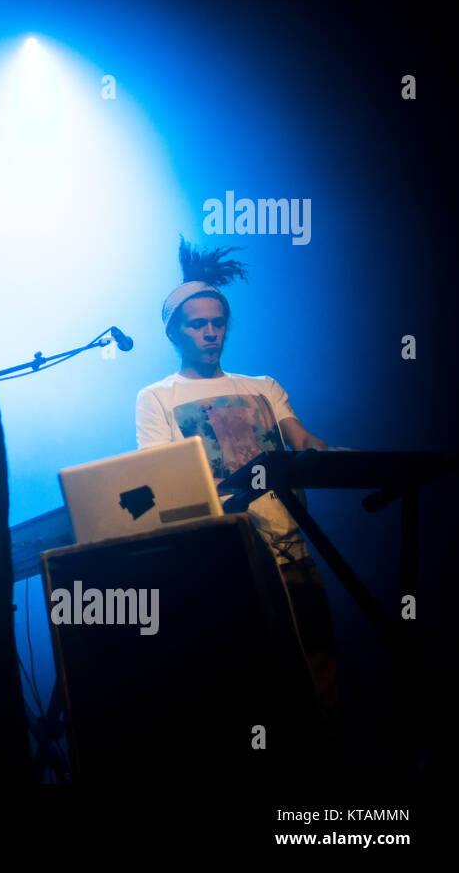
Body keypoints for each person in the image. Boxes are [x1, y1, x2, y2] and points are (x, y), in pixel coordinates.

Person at [134, 239, 338, 714]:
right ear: (174, 333)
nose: (211, 332)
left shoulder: (262, 387)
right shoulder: (156, 397)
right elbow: (155, 476)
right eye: (198, 324)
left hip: (291, 546)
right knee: (245, 679)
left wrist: (319, 449)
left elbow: (301, 437)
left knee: (319, 665)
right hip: (220, 556)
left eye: (218, 322)